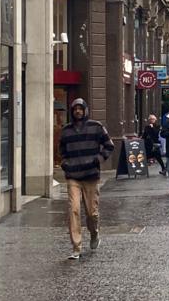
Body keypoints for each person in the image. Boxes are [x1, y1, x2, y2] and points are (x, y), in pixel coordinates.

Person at [58, 98, 114, 260]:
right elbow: (61, 150)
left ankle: (94, 233)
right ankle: (76, 247)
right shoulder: (66, 130)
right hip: (73, 176)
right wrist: (65, 163)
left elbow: (109, 145)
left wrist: (98, 159)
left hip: (90, 175)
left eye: (80, 109)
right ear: (72, 111)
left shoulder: (96, 127)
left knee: (92, 213)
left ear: (85, 110)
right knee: (73, 210)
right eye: (75, 109)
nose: (77, 111)